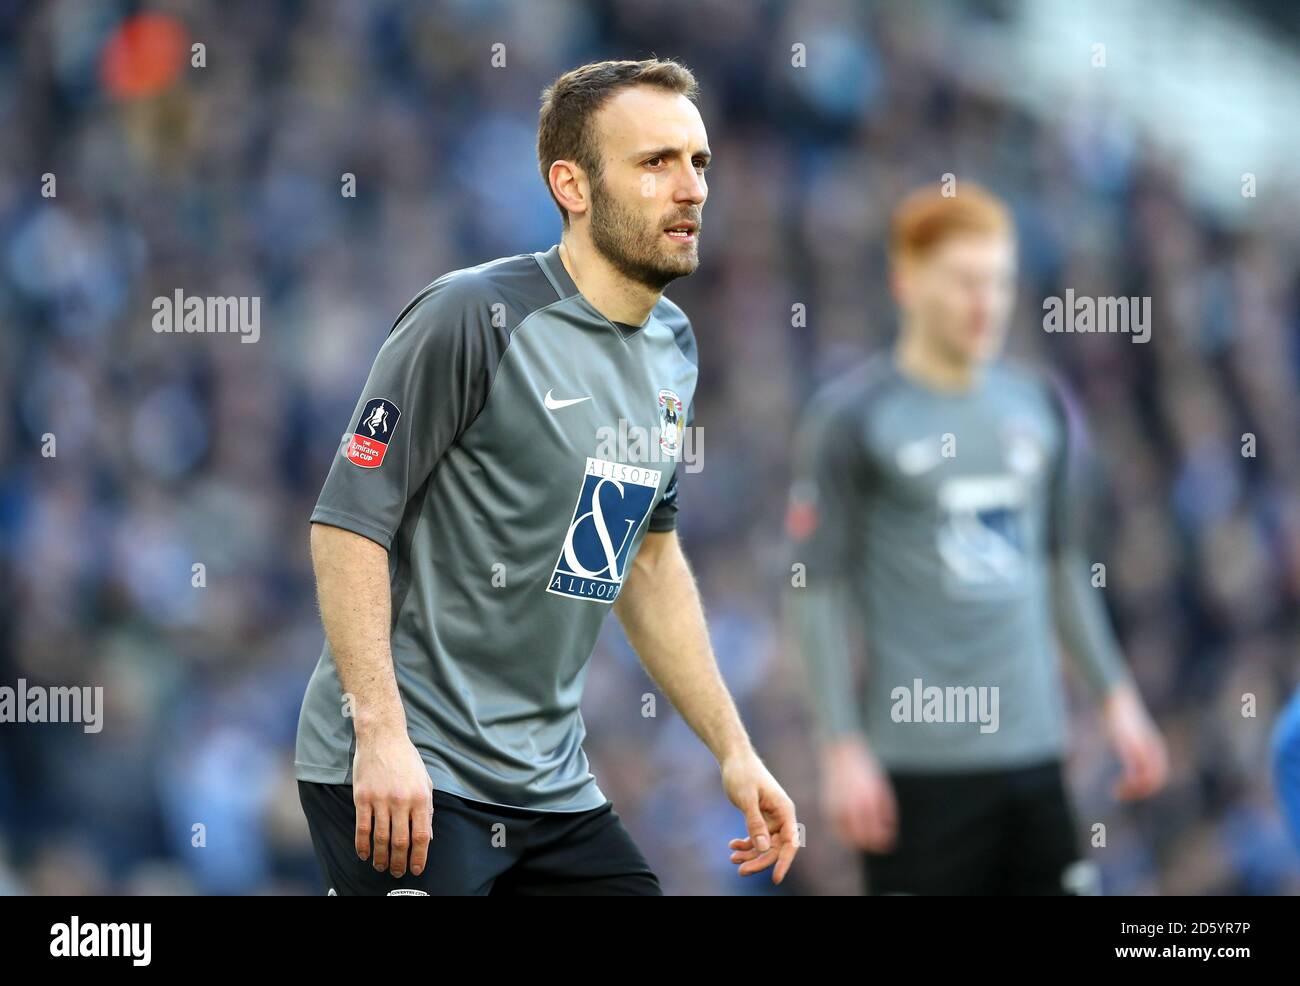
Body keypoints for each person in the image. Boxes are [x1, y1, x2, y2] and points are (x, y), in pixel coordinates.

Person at [294, 58, 798, 896]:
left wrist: (734, 750)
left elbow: (646, 560)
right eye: (655, 163)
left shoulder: (673, 350)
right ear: (572, 184)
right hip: (409, 775)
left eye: (698, 162)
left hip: (549, 789)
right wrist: (380, 735)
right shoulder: (472, 316)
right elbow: (348, 525)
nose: (691, 188)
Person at [778, 183, 1167, 895]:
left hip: (1035, 752)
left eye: (999, 282)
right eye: (963, 282)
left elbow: (1059, 564)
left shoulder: (1038, 405)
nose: (985, 302)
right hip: (919, 768)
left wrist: (1117, 699)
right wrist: (840, 744)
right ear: (907, 283)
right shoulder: (854, 418)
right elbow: (816, 589)